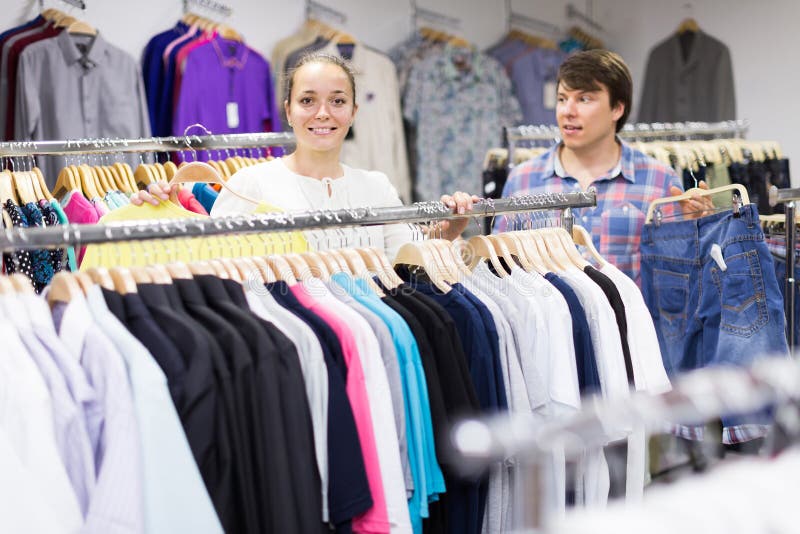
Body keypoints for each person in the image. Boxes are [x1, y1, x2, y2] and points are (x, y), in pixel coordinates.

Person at [133, 52, 477, 260]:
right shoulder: (251, 185)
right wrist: (159, 215)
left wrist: (448, 231)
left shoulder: (377, 187)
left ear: (354, 112)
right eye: (308, 100)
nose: (323, 113)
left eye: (338, 101)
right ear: (288, 110)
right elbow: (213, 268)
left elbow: (405, 259)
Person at [494, 49, 710, 284]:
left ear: (617, 108)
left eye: (584, 99)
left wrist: (700, 229)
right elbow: (500, 267)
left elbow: (676, 277)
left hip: (628, 320)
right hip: (548, 321)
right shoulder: (522, 180)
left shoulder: (659, 182)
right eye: (562, 99)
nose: (568, 111)